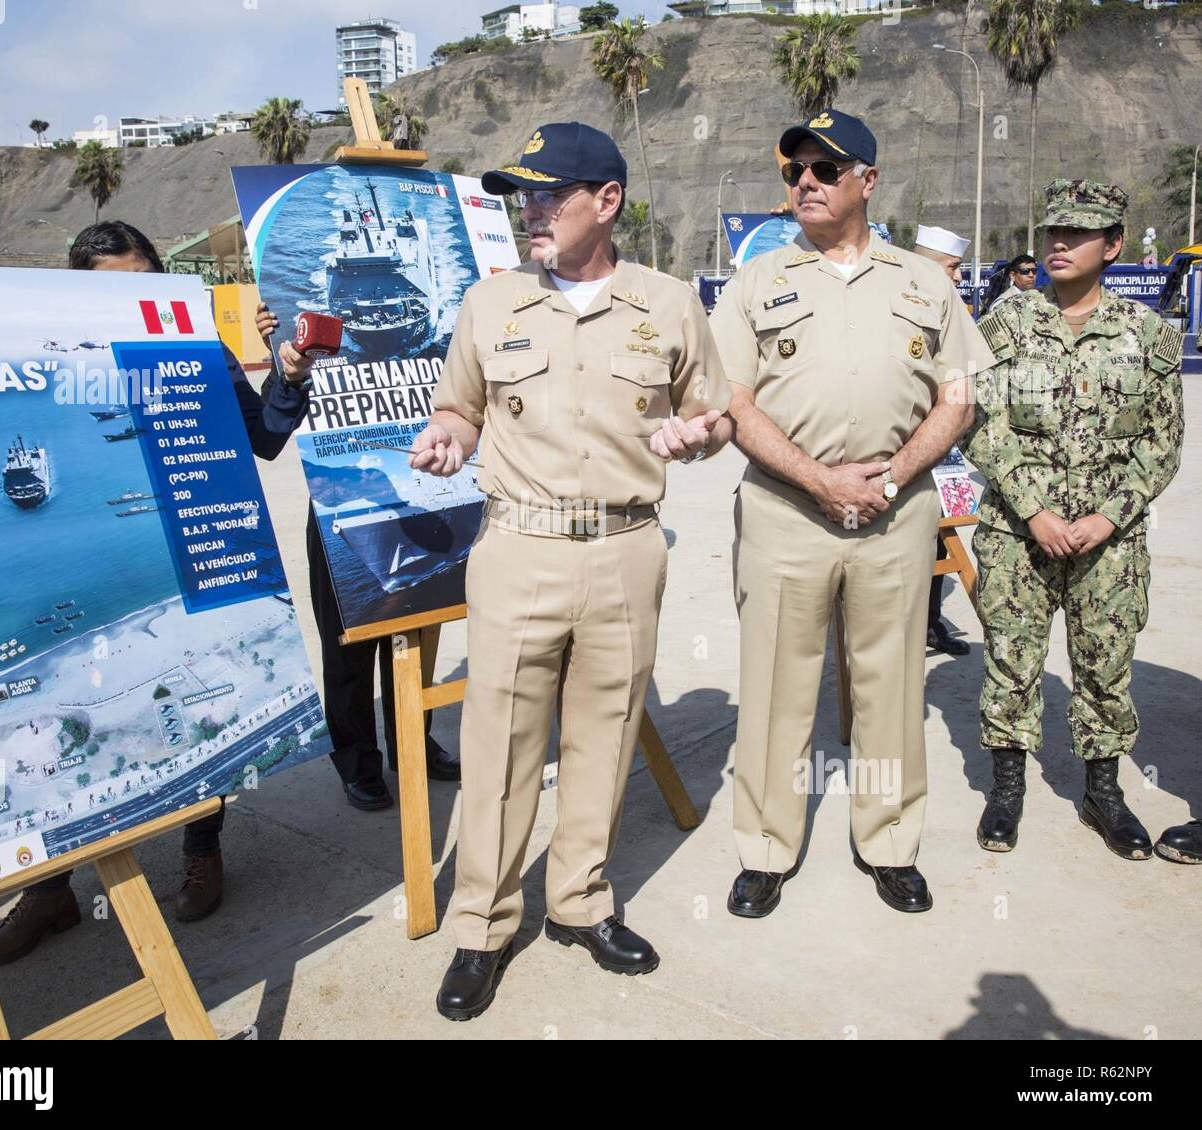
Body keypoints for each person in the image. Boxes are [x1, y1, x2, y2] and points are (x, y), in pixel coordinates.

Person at [413, 121, 731, 1020]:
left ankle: (581, 903)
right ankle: (482, 927)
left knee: (605, 735)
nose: (533, 213)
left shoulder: (669, 304)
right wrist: (449, 436)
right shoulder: (493, 304)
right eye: (524, 196)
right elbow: (462, 407)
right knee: (501, 744)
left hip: (629, 547)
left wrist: (694, 435)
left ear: (608, 202)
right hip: (519, 546)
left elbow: (716, 416)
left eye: (551, 195)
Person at [0, 221, 315, 966]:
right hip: (95, 566)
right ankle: (51, 887)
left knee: (202, 705)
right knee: (59, 720)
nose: (130, 298)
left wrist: (289, 379)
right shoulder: (48, 365)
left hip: (195, 550)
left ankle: (203, 846)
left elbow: (261, 436)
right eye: (110, 288)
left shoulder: (199, 348)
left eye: (142, 280)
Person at [709, 109, 995, 919]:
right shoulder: (758, 282)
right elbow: (730, 401)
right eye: (794, 168)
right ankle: (766, 849)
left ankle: (889, 843)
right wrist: (819, 480)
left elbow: (958, 398)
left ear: (867, 182)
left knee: (891, 683)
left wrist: (892, 475)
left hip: (896, 514)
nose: (804, 181)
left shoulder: (923, 282)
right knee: (775, 687)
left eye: (825, 169)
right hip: (784, 514)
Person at [965, 179, 1185, 859]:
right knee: (1011, 661)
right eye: (1051, 232)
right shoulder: (1005, 324)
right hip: (1016, 535)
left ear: (1113, 244)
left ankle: (1102, 791)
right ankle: (1006, 790)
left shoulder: (1147, 332)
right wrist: (1032, 510)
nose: (1058, 244)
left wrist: (1108, 517)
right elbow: (977, 419)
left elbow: (1163, 439)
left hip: (1107, 545)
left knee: (1104, 666)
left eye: (1078, 233)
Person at [253, 305, 461, 810]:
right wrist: (281, 358)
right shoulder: (310, 334)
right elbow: (271, 424)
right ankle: (357, 762)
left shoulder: (421, 339)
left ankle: (413, 739)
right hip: (337, 491)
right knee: (346, 641)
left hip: (409, 481)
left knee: (413, 627)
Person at [914, 224, 975, 658]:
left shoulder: (954, 313)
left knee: (940, 541)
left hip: (942, 454)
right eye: (952, 268)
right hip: (900, 456)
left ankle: (931, 623)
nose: (957, 278)